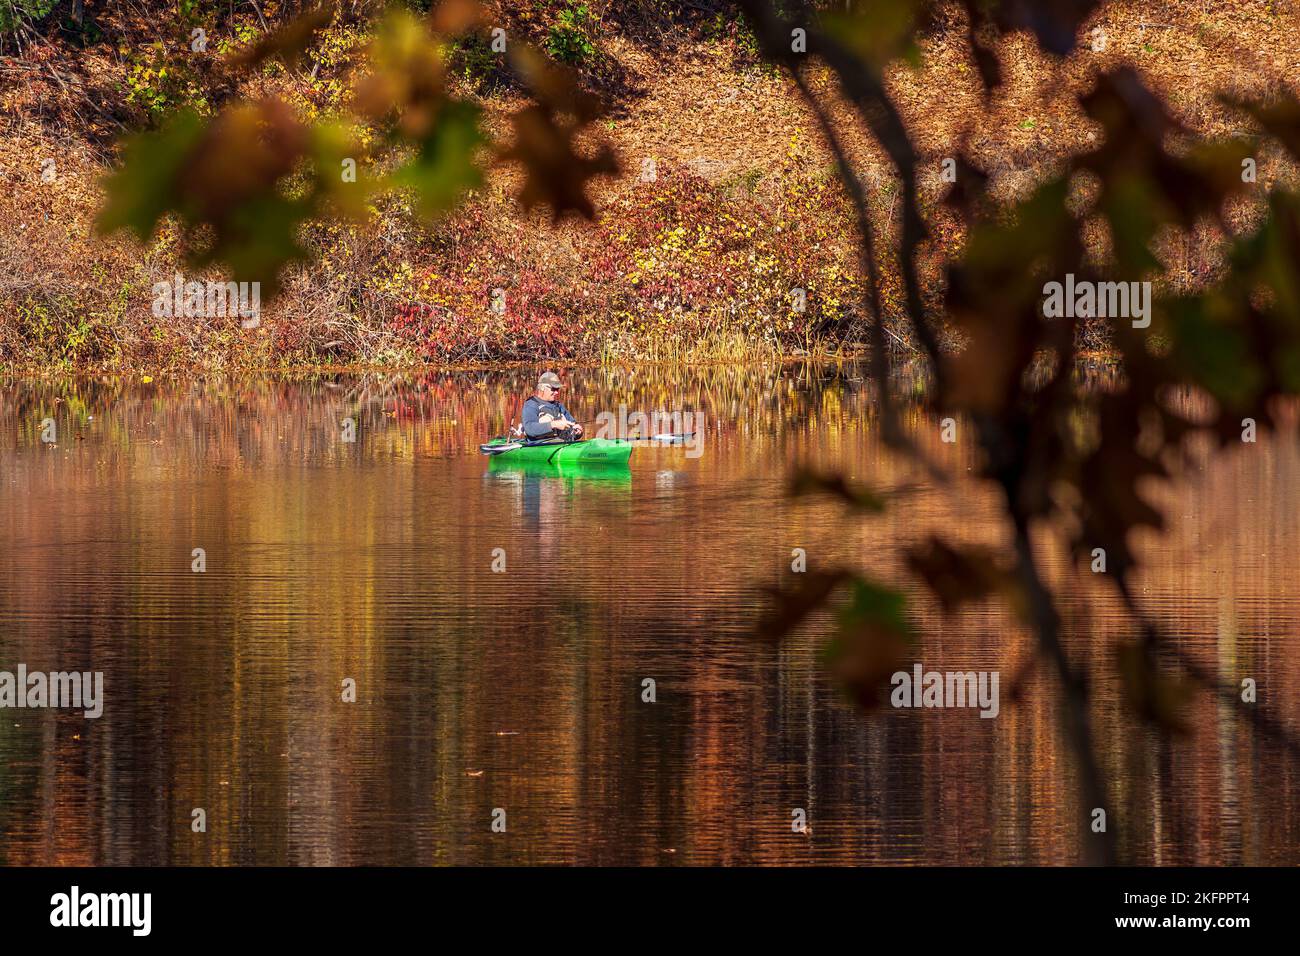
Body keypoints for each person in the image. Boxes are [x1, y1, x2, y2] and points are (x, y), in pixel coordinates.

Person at [521, 371, 584, 441]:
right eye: (553, 389)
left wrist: (578, 431)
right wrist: (553, 425)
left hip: (562, 444)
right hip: (538, 446)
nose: (556, 392)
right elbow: (529, 429)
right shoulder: (531, 405)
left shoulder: (559, 406)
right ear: (542, 388)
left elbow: (573, 423)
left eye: (557, 389)